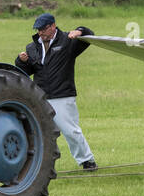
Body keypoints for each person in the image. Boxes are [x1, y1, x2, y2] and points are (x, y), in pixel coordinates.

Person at [15, 13, 97, 171]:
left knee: (70, 131)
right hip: (40, 96)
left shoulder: (68, 41)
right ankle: (42, 166)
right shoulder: (32, 47)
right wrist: (22, 61)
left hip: (63, 95)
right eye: (38, 30)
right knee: (39, 132)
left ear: (53, 26)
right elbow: (27, 71)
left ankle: (87, 161)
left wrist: (80, 31)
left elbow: (90, 35)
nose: (40, 32)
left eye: (43, 29)